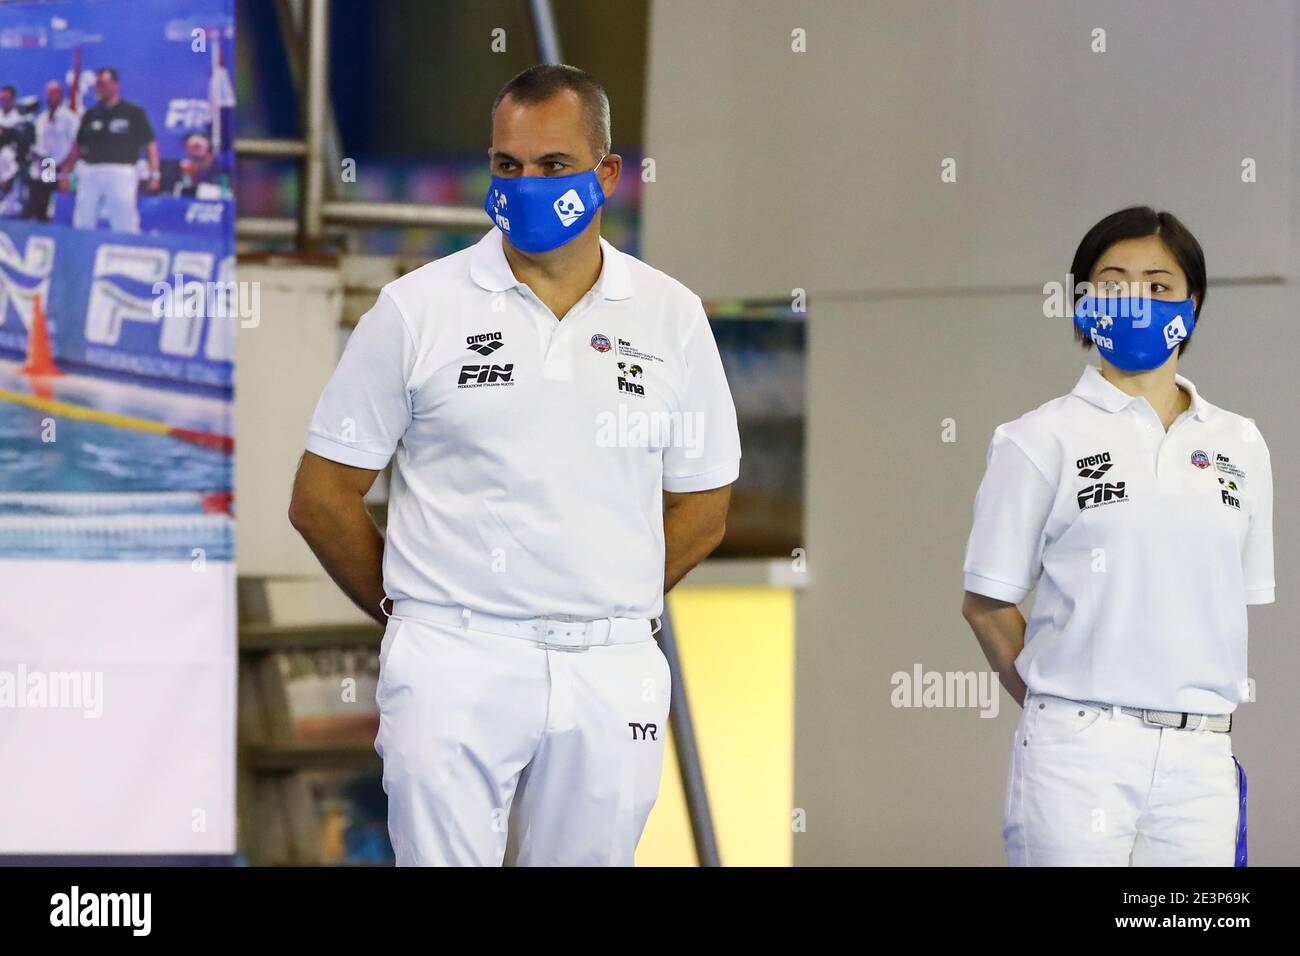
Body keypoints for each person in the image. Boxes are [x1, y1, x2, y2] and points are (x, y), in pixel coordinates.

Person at [289, 64, 741, 866]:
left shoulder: (671, 316)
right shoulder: (418, 310)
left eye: (552, 165)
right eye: (508, 165)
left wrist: (606, 592)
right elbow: (322, 497)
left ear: (606, 173)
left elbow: (704, 507)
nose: (526, 185)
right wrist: (413, 615)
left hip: (611, 666)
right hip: (453, 660)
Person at [962, 207, 1274, 866]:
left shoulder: (1240, 444)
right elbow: (986, 603)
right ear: (1082, 303)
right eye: (1114, 281)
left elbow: (1230, 600)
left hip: (1201, 759)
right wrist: (1067, 702)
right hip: (1077, 757)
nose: (1137, 300)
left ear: (1192, 305)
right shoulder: (1036, 439)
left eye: (1159, 285)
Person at [68, 68, 159, 232]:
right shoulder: (90, 114)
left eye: (103, 84)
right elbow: (78, 146)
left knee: (124, 218)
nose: (98, 88)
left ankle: (129, 252)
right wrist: (66, 172)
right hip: (91, 171)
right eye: (97, 85)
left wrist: (154, 173)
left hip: (121, 171)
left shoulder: (133, 112)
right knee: (83, 218)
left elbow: (150, 143)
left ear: (115, 85)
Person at [25, 79, 80, 221]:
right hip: (45, 166)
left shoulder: (70, 118)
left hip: (62, 168)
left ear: (61, 94)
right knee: (39, 205)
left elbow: (76, 145)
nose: (51, 96)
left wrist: (66, 168)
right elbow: (39, 144)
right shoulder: (41, 118)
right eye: (49, 93)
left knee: (58, 209)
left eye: (54, 93)